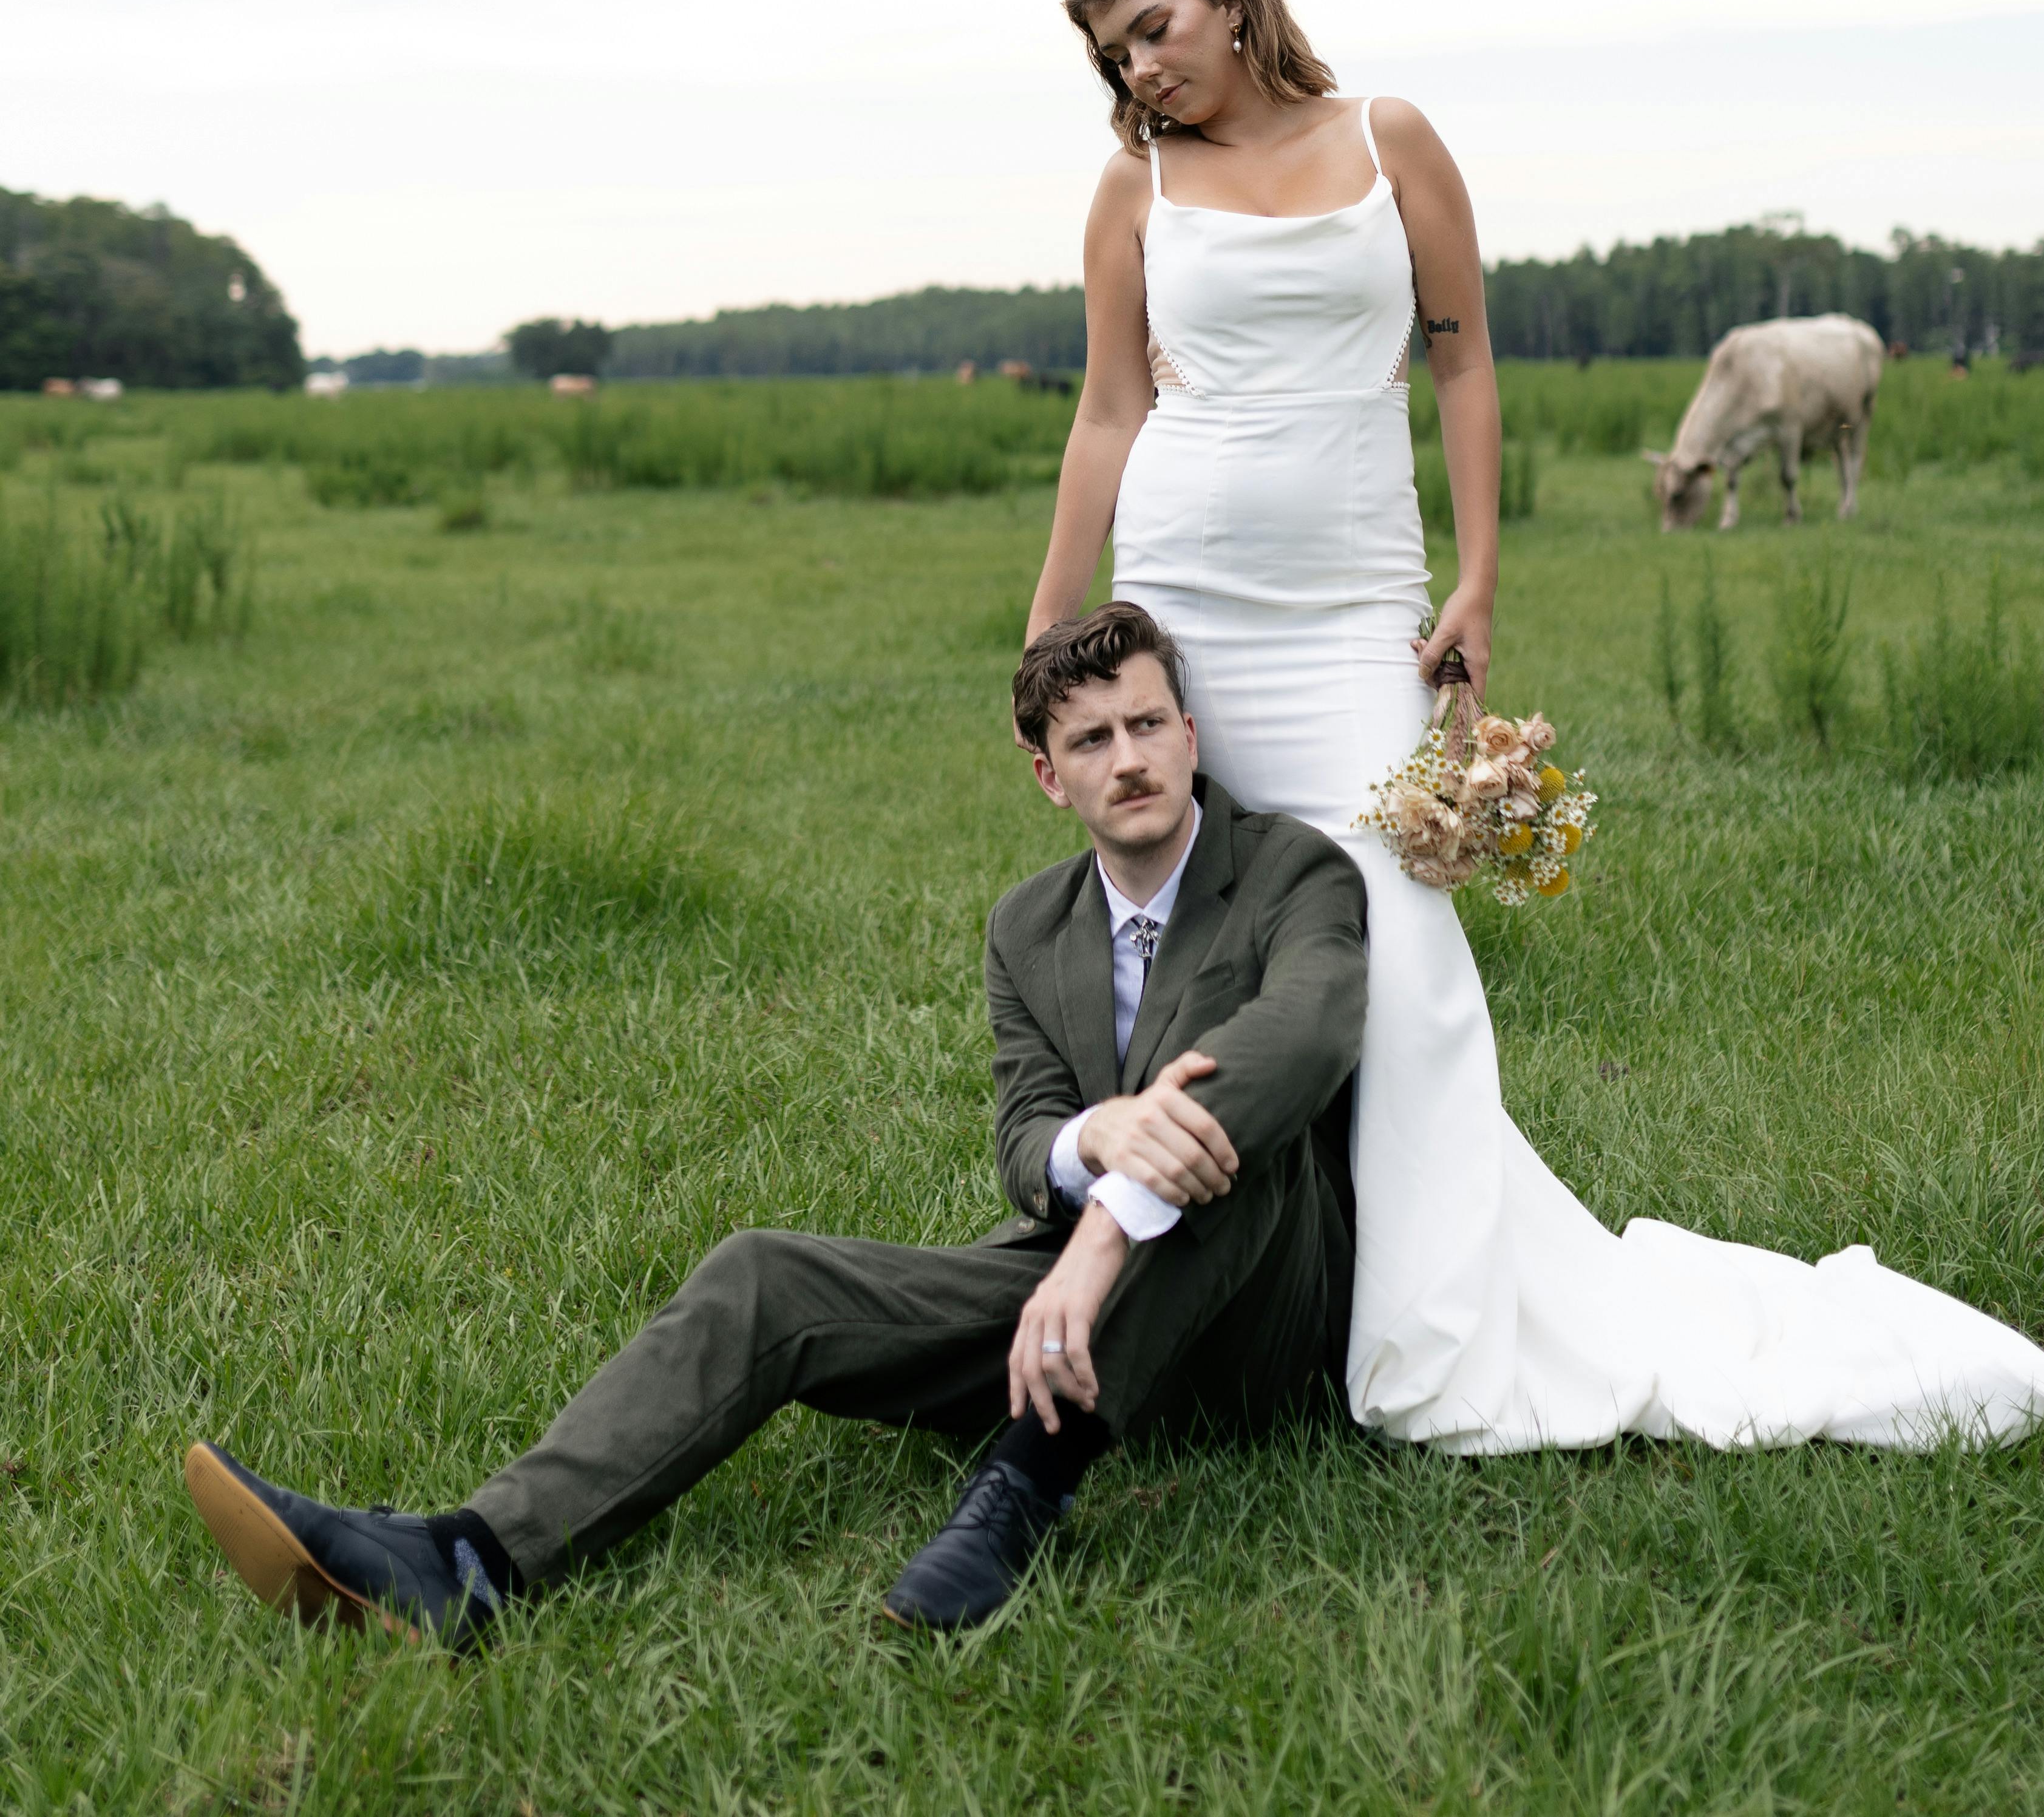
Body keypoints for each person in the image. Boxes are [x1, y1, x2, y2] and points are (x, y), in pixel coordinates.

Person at [1027, 0, 2044, 1454]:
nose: (1143, 68)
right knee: (1213, 953)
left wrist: (1479, 573)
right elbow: (1111, 411)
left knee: (1403, 953)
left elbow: (1462, 359)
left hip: (1348, 609)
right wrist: (1061, 636)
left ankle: (1430, 1331)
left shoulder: (1389, 140)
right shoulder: (1137, 186)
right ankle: (1255, 1305)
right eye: (1117, 53)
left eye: (1156, 27)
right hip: (1185, 591)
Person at [183, 604, 1367, 1646]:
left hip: (1249, 1322)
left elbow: (1311, 1032)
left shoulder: (1291, 873)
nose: (1131, 758)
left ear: (1191, 734)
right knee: (763, 1274)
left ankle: (1022, 1486)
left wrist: (1114, 1209)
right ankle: (469, 1561)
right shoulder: (1026, 925)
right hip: (1054, 1311)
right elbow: (1027, 1137)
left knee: (1230, 1136)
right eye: (1092, 739)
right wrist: (1088, 1142)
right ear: (1049, 777)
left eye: (1149, 724)